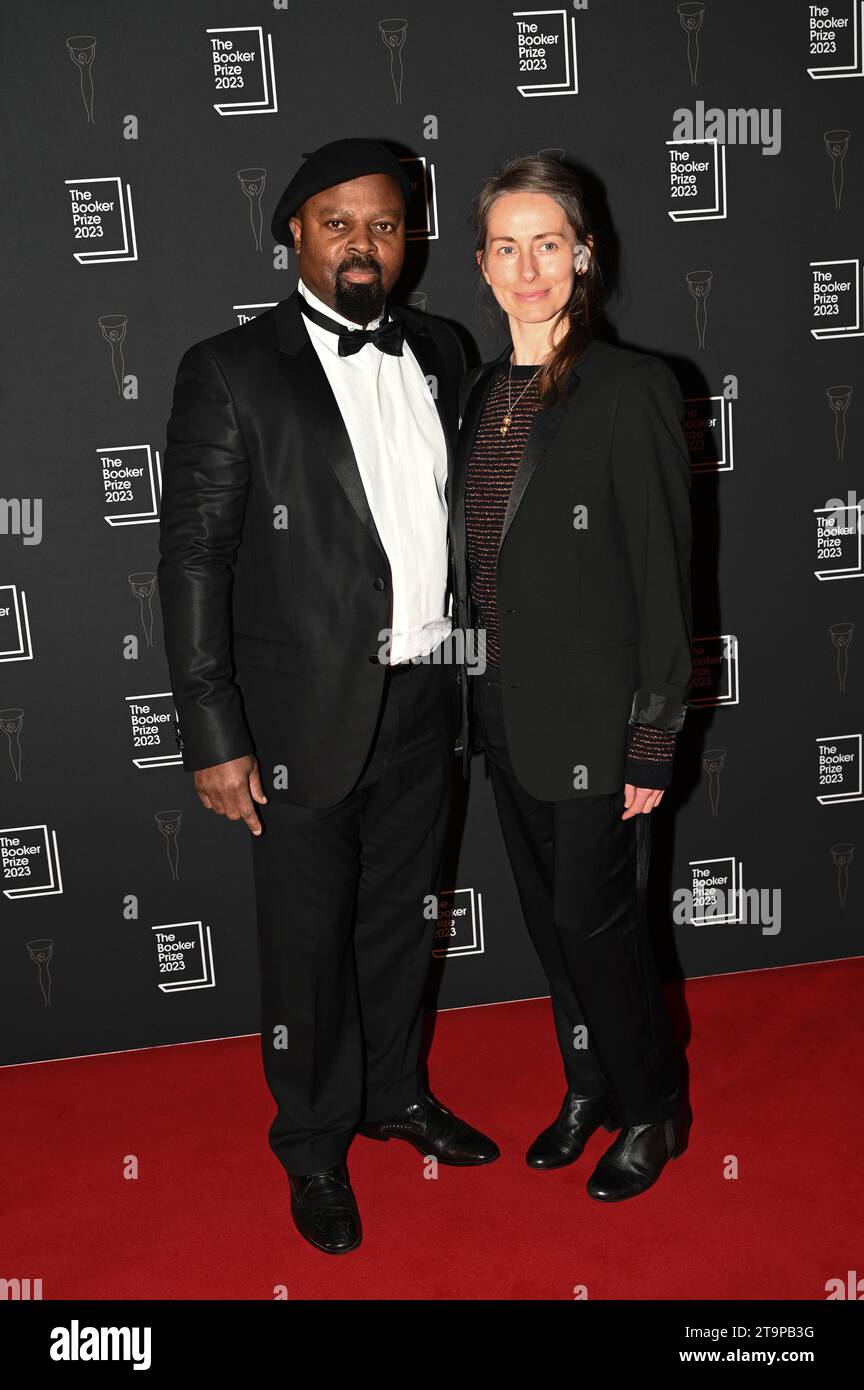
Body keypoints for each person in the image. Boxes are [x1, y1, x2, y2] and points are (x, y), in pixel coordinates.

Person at [158, 138, 498, 1257]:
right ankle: (311, 1143)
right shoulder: (230, 368)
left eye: (388, 224)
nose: (365, 244)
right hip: (299, 715)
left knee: (405, 923)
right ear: (293, 234)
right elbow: (194, 562)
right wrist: (214, 733)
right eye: (339, 223)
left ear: (412, 240)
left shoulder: (444, 348)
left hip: (427, 700)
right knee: (308, 943)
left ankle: (395, 1094)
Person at [452, 153, 693, 1201]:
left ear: (583, 254)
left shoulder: (632, 387)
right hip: (502, 710)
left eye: (547, 242)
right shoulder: (479, 392)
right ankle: (588, 1084)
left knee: (602, 929)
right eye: (507, 246)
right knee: (555, 926)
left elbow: (664, 575)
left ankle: (654, 1109)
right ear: (482, 267)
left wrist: (653, 734)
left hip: (600, 720)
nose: (528, 265)